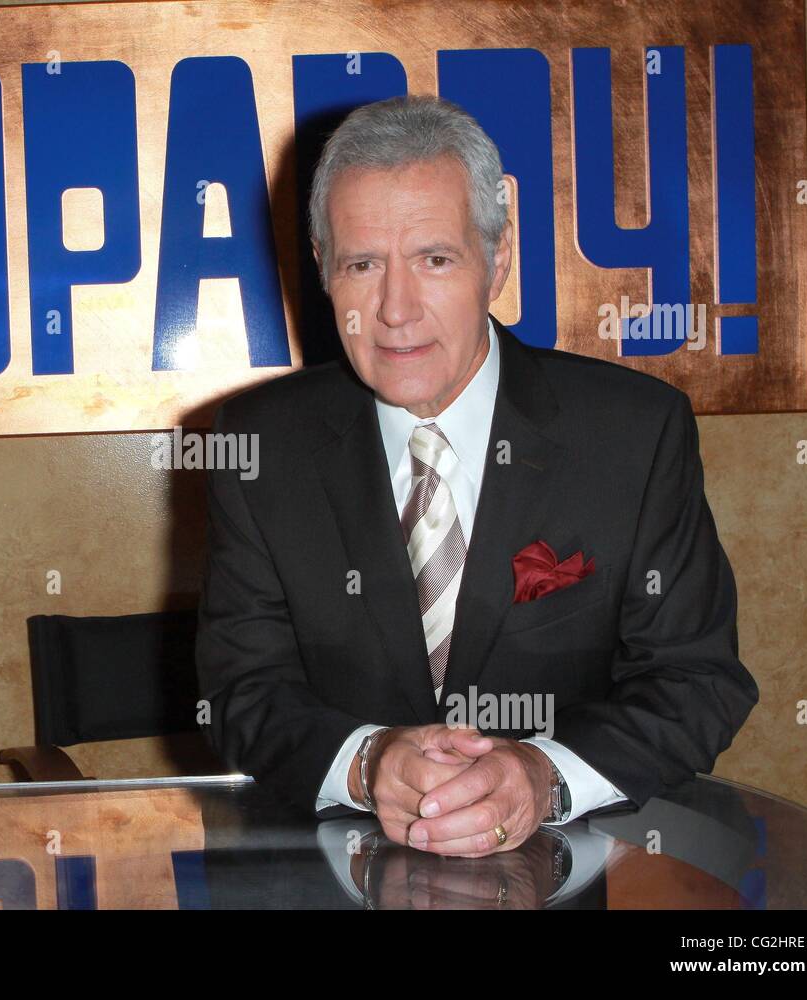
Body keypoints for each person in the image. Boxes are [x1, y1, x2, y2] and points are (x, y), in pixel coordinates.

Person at [194, 94, 757, 858]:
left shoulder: (634, 432)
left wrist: (542, 775)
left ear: (500, 257)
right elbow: (241, 694)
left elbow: (696, 681)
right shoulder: (258, 443)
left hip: (570, 871)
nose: (395, 310)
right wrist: (366, 765)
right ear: (323, 268)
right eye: (363, 264)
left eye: (434, 259)